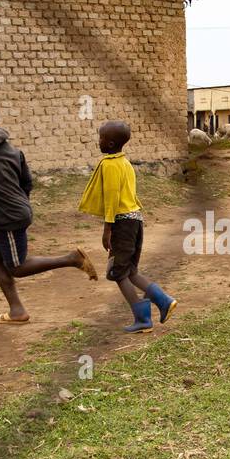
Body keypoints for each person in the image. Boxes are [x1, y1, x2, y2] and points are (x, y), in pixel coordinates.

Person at [0, 102, 97, 324]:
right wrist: (20, 203)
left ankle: (71, 259)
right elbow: (27, 182)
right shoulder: (11, 149)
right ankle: (17, 310)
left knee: (17, 267)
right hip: (12, 213)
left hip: (8, 217)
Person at [79, 120, 176, 333]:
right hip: (134, 220)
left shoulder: (110, 164)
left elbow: (112, 198)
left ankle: (145, 316)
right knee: (130, 270)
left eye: (101, 138)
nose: (99, 142)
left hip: (122, 223)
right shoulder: (124, 162)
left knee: (116, 272)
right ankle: (162, 301)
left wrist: (107, 228)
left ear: (111, 143)